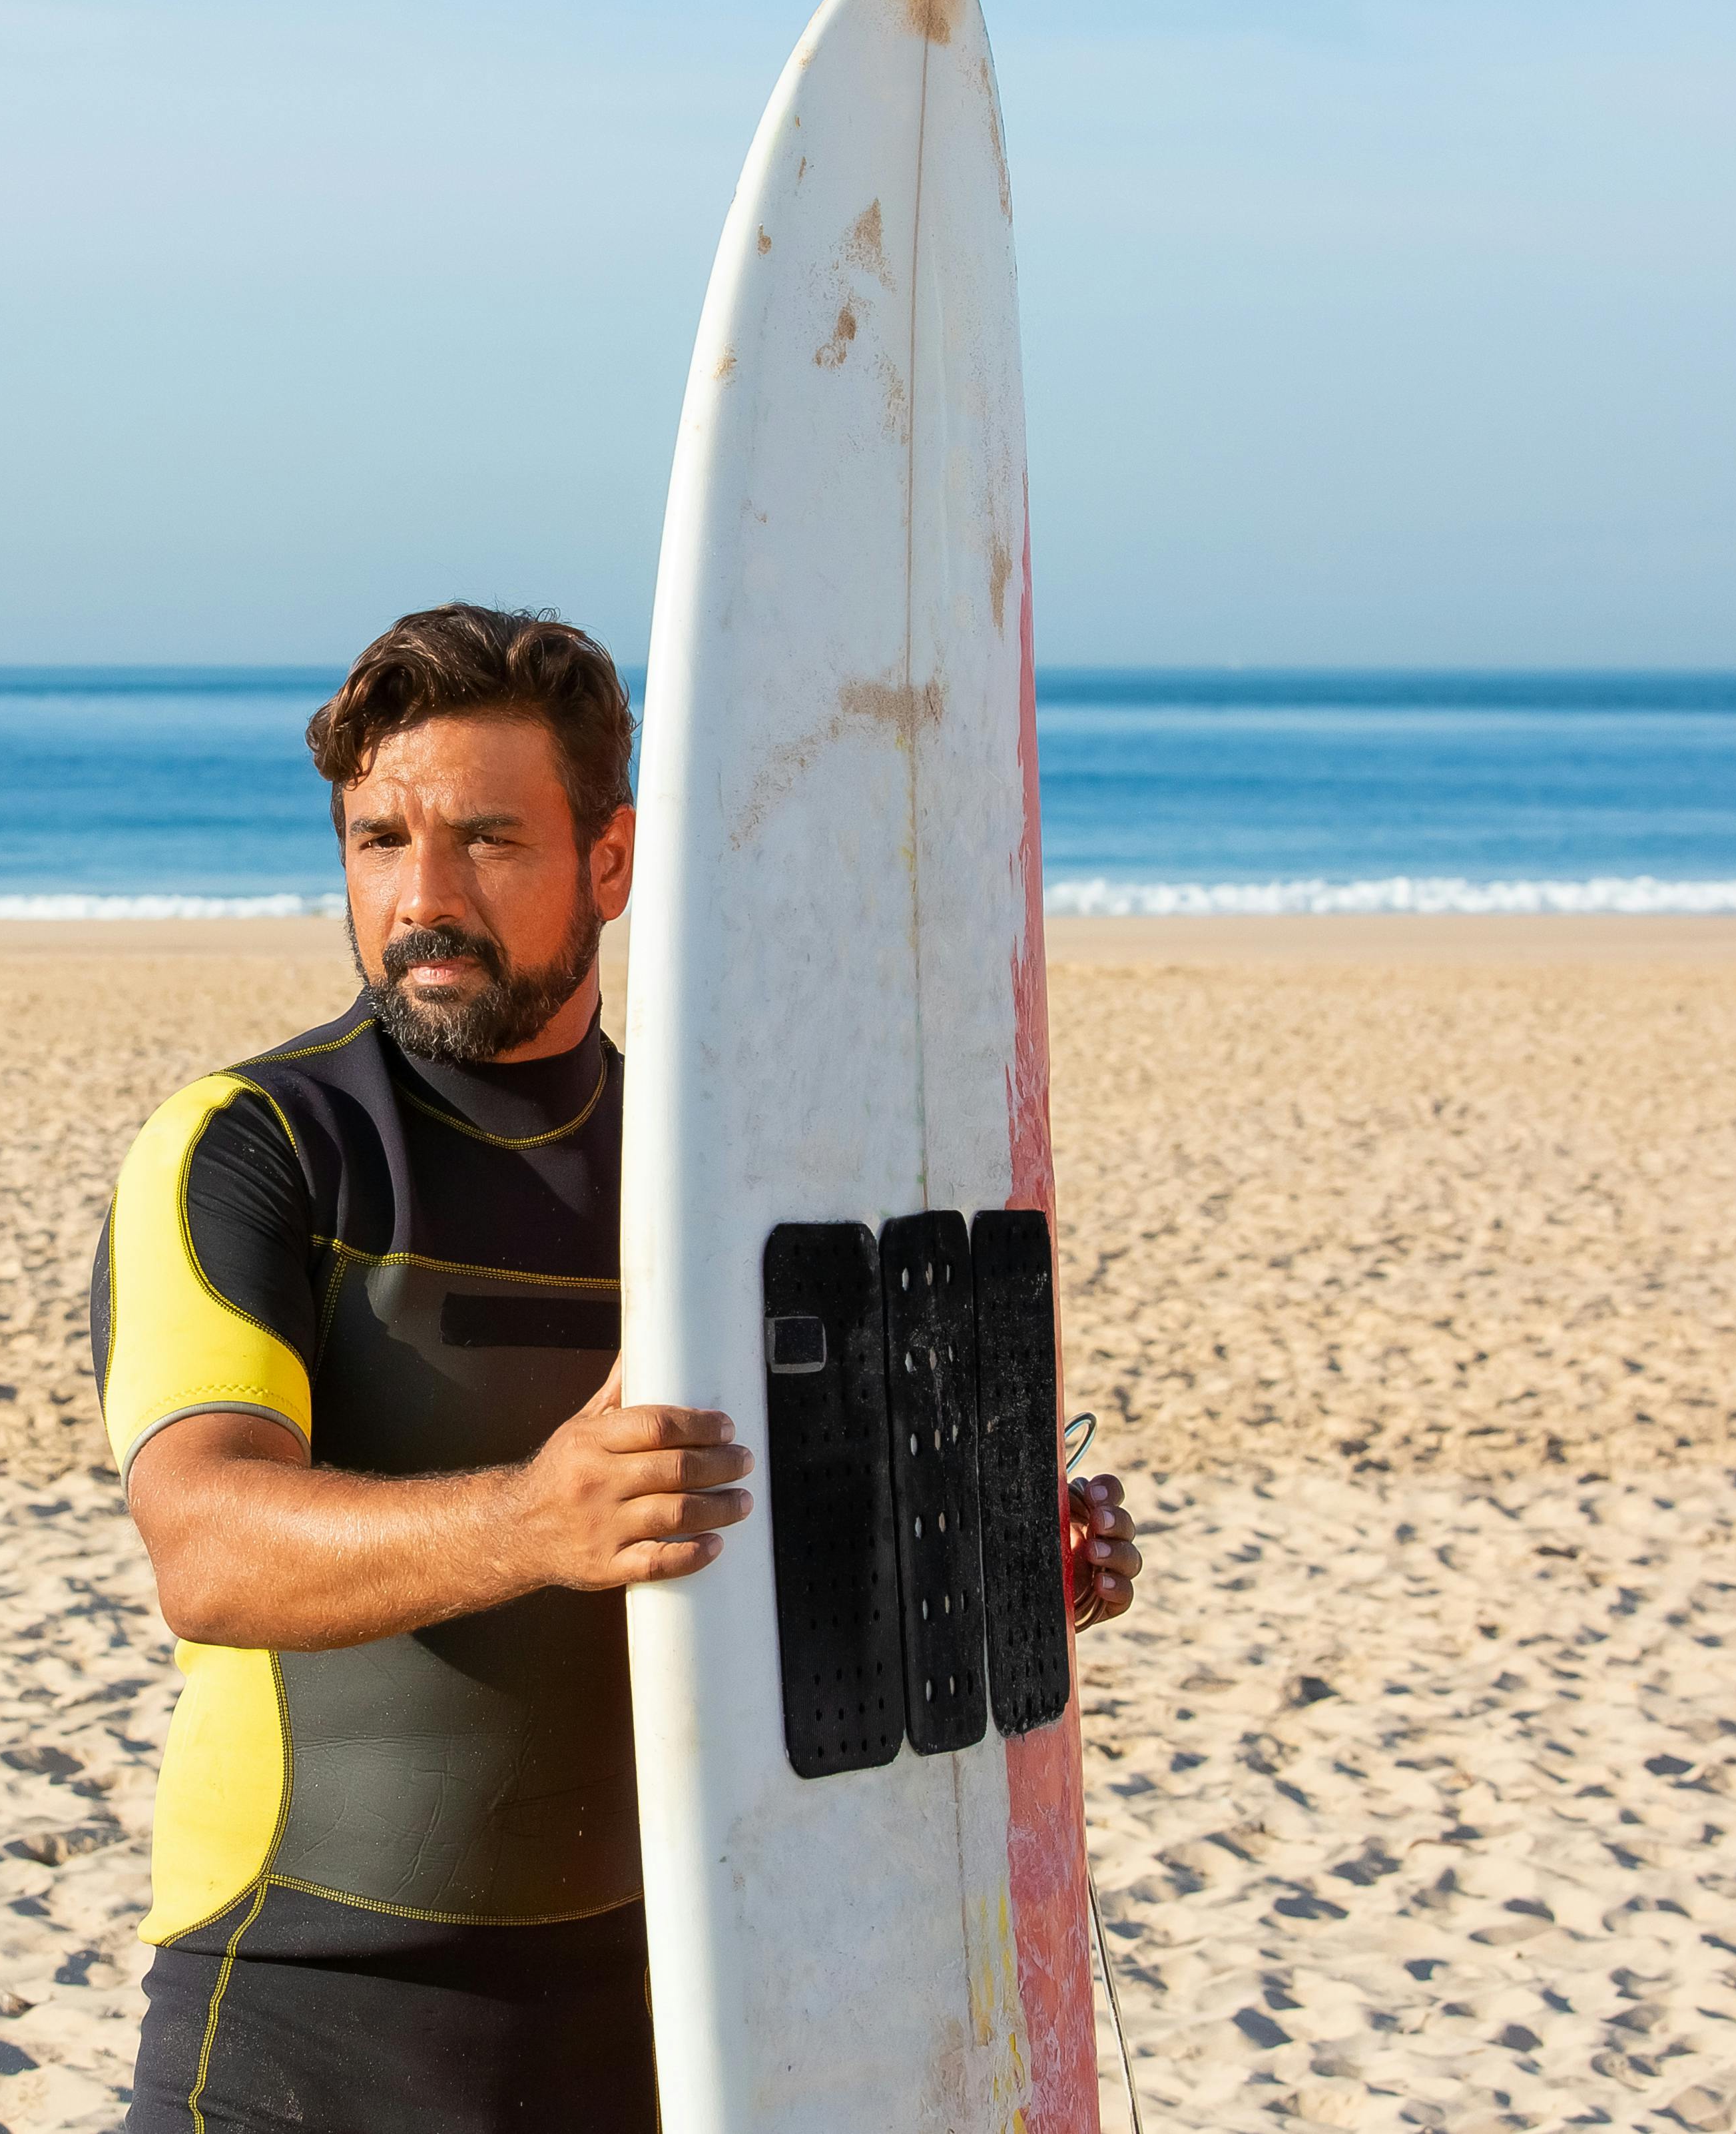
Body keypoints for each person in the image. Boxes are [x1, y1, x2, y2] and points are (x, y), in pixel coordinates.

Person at [90, 603, 1144, 2133]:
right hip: (309, 2012)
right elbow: (204, 1545)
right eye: (378, 840)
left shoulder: (712, 1182)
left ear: (609, 859)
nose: (422, 898)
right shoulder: (258, 1150)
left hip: (669, 2007)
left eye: (487, 841)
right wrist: (530, 1519)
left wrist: (993, 1565)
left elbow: (803, 1543)